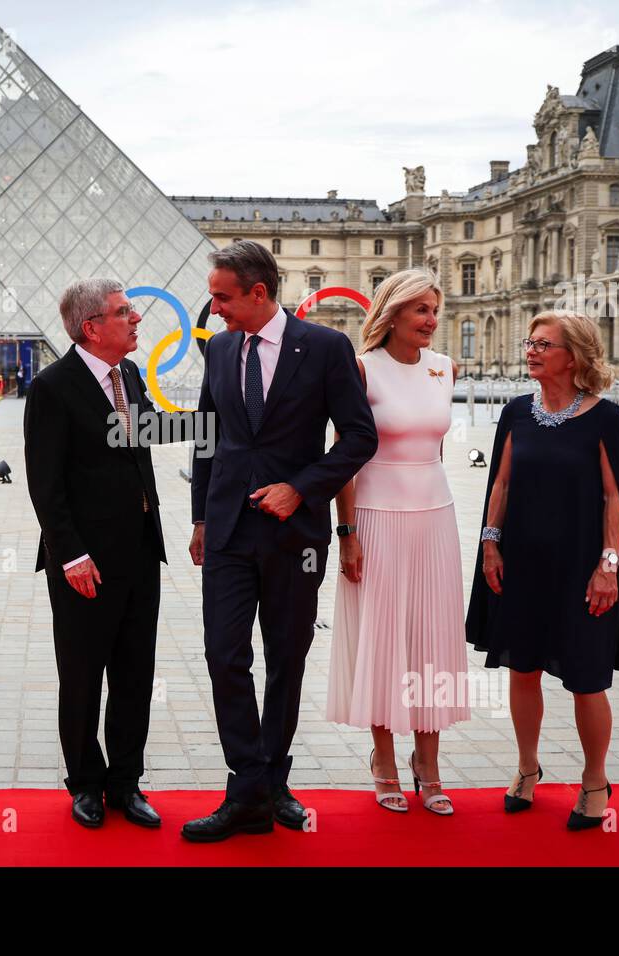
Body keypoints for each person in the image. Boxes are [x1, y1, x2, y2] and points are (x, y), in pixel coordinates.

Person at [184, 241, 377, 842]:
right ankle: (252, 784)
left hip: (296, 532)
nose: (213, 308)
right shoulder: (218, 350)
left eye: (222, 297)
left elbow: (358, 438)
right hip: (228, 530)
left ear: (258, 293)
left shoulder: (325, 348)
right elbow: (208, 438)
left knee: (285, 659)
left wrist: (300, 488)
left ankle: (268, 783)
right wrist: (200, 518)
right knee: (224, 656)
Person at [465, 310, 619, 831]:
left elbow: (616, 499)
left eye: (544, 344)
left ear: (575, 356)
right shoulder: (517, 412)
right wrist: (490, 546)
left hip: (582, 568)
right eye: (531, 342)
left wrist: (608, 566)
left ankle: (594, 781)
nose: (532, 350)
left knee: (587, 679)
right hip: (521, 561)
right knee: (523, 669)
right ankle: (526, 768)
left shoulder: (606, 417)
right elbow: (499, 485)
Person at [24, 278, 167, 831]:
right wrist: (71, 555)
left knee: (135, 673)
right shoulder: (54, 388)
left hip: (139, 553)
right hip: (84, 562)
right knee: (82, 676)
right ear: (92, 327)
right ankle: (84, 781)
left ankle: (125, 783)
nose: (135, 320)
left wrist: (222, 424)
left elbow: (145, 437)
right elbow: (45, 484)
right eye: (124, 312)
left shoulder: (128, 374)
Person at [327, 269, 469, 816]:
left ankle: (428, 765)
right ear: (392, 313)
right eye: (421, 311)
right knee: (384, 641)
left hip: (435, 518)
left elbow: (433, 448)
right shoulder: (363, 369)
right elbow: (345, 456)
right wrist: (348, 533)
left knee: (430, 637)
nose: (432, 321)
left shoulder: (443, 369)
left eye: (435, 310)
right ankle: (384, 760)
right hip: (376, 517)